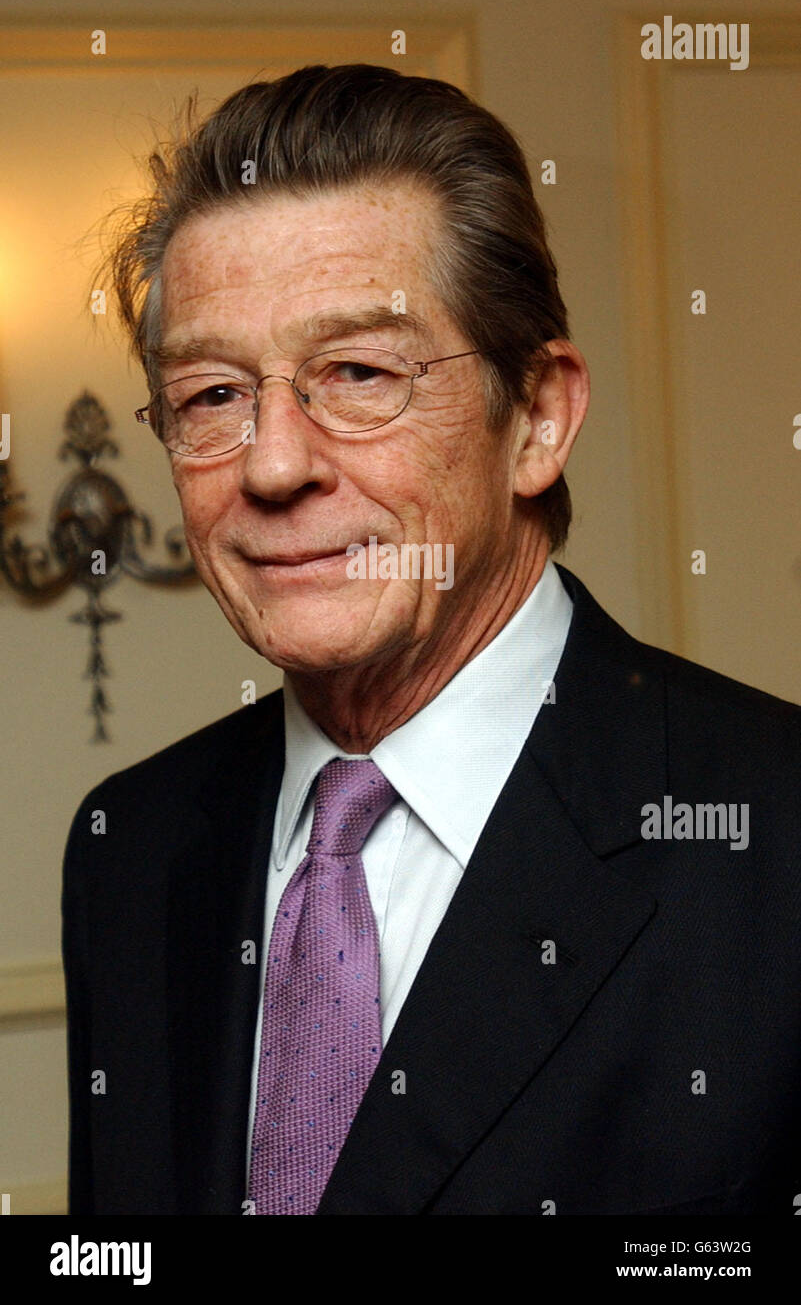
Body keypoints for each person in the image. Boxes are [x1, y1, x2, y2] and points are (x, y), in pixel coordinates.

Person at [62, 63, 801, 1216]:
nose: (272, 463)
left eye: (357, 373)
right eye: (211, 394)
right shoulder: (133, 845)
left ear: (539, 419)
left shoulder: (774, 839)